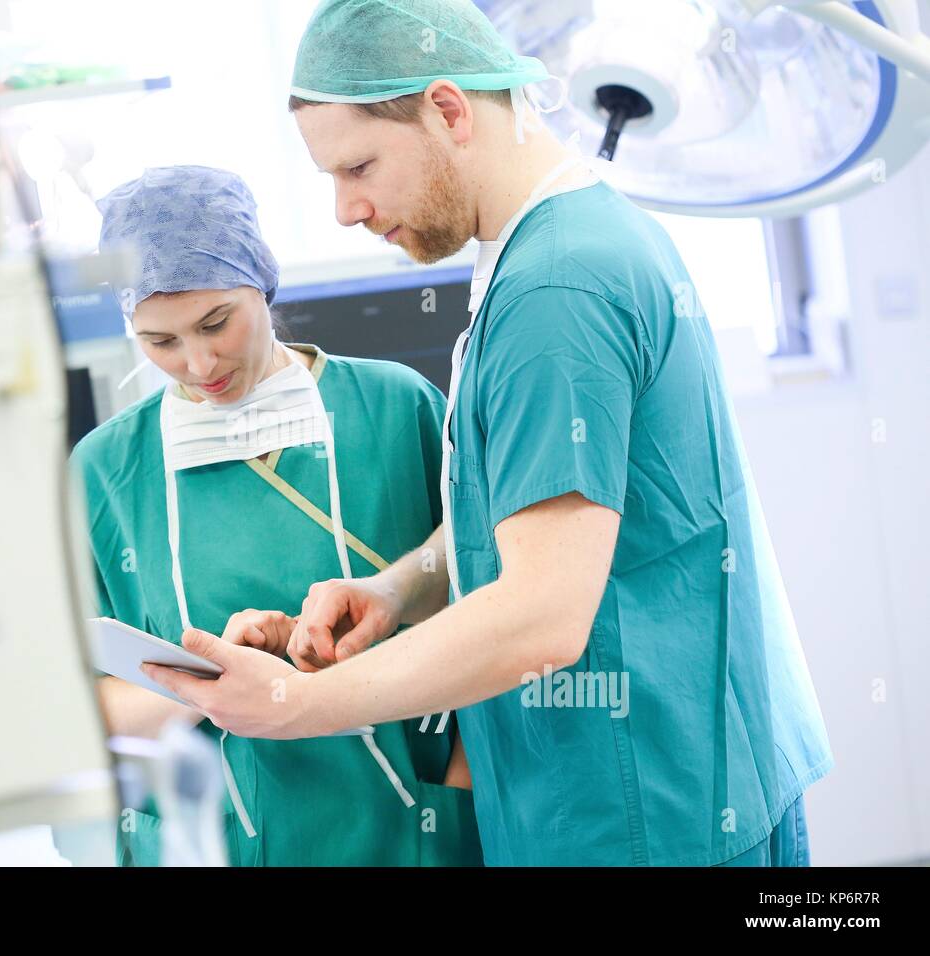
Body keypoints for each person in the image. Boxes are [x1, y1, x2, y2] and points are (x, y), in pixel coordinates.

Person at [144, 0, 833, 867]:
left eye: (359, 166)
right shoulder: (555, 248)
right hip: (663, 787)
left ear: (448, 109)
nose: (346, 209)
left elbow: (542, 616)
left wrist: (296, 705)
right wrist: (400, 588)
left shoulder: (555, 294)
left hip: (647, 813)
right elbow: (536, 521)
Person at [73, 164, 482, 866]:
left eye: (215, 323)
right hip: (213, 842)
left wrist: (461, 778)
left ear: (262, 281)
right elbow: (87, 714)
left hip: (406, 829)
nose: (199, 364)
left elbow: (490, 595)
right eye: (160, 341)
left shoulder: (397, 408)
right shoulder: (106, 472)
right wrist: (205, 685)